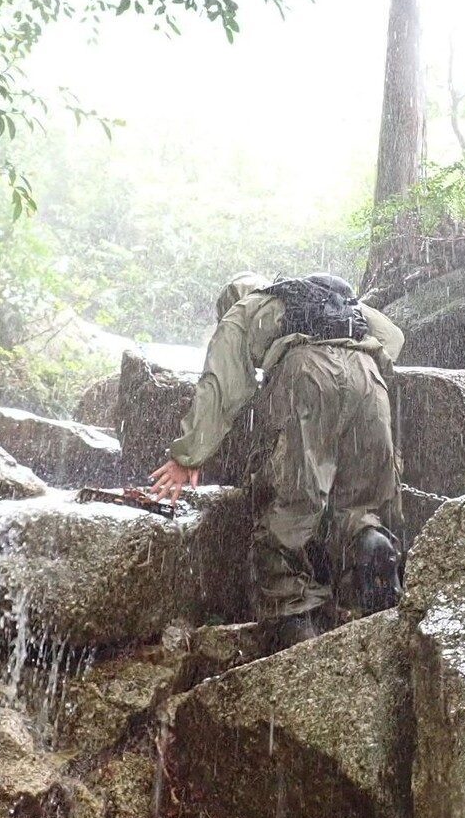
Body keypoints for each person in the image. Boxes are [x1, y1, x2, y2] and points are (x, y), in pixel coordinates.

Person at [149, 271, 406, 649]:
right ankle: (370, 547)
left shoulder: (247, 306)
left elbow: (222, 381)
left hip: (307, 375)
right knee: (359, 505)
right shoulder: (326, 297)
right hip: (369, 381)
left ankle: (295, 624)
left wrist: (189, 455)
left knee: (289, 511)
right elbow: (393, 338)